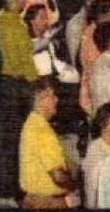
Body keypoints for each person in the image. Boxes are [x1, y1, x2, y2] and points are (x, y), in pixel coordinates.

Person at [19, 79, 74, 208]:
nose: (56, 100)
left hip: (33, 199)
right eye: (52, 96)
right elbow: (58, 175)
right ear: (41, 98)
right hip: (48, 202)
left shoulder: (30, 123)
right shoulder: (42, 130)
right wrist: (74, 186)